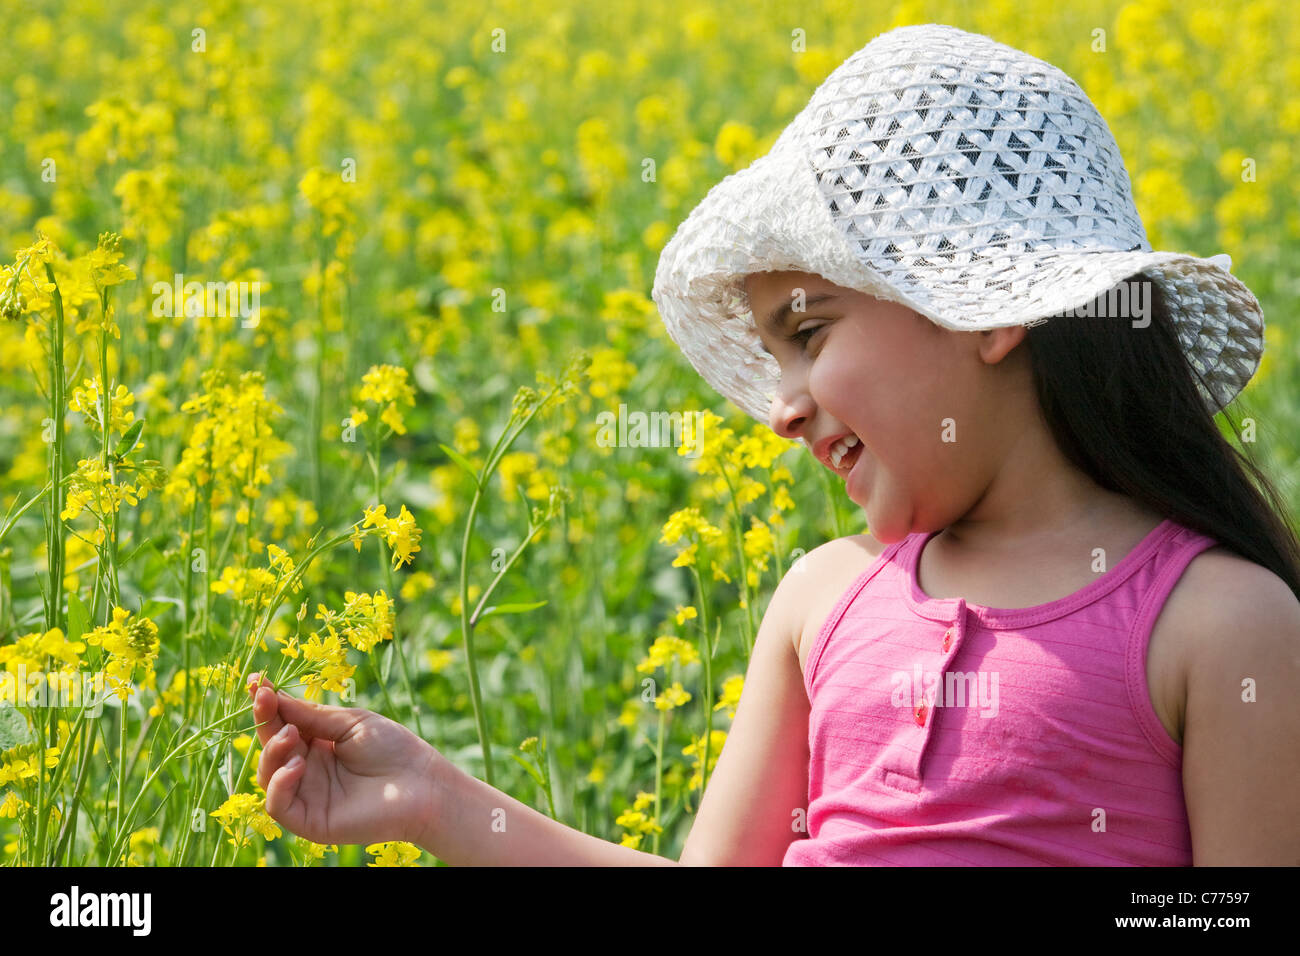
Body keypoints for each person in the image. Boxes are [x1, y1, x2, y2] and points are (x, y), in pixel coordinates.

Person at [247, 23, 1300, 865]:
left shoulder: (1218, 623)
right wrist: (434, 797)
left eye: (808, 333)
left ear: (984, 304)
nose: (781, 405)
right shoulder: (820, 599)